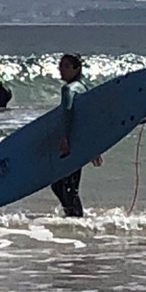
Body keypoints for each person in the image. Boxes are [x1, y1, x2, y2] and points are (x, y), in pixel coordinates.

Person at [50, 53, 101, 217]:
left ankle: (76, 218)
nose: (61, 69)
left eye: (66, 66)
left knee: (61, 184)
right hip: (81, 142)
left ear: (76, 68)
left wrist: (65, 139)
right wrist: (94, 147)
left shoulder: (68, 89)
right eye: (60, 65)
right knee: (69, 185)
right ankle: (74, 217)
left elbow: (68, 112)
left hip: (71, 142)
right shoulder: (83, 87)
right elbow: (89, 120)